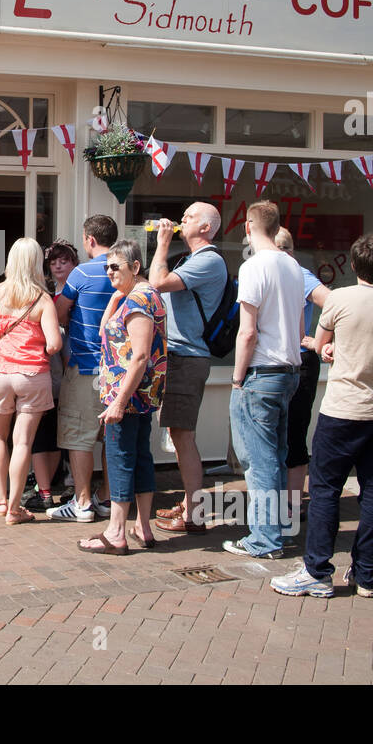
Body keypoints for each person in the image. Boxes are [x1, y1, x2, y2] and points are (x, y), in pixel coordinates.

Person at [271, 235, 373, 598]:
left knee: (325, 491)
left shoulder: (339, 299)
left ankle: (317, 570)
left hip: (344, 408)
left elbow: (319, 346)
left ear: (353, 265)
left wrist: (331, 347)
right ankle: (367, 574)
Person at [223, 200, 305, 560]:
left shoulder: (254, 266)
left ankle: (264, 540)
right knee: (277, 454)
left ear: (248, 227)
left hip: (260, 373)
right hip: (290, 371)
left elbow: (248, 332)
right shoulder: (293, 266)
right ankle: (277, 531)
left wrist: (237, 379)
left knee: (259, 461)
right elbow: (301, 328)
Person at [78, 240, 168, 555]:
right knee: (140, 456)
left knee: (120, 458)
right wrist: (116, 297)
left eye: (116, 266)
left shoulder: (139, 300)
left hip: (128, 396)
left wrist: (118, 402)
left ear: (136, 267)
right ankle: (143, 526)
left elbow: (141, 355)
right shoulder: (133, 297)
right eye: (107, 267)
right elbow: (105, 330)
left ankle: (116, 531)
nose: (110, 272)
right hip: (137, 395)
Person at [147, 202, 228, 536]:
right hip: (176, 356)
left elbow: (158, 282)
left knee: (183, 434)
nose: (181, 220)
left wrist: (162, 243)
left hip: (186, 357)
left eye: (189, 217)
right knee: (179, 435)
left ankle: (195, 513)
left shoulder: (208, 260)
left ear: (206, 227)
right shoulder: (193, 259)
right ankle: (189, 500)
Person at [0, 238, 62, 524]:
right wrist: (39, 349)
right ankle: (15, 508)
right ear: (37, 264)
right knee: (23, 443)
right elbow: (55, 344)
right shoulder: (42, 299)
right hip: (32, 375)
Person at [50, 215, 118, 522]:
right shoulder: (127, 270)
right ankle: (106, 497)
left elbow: (60, 312)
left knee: (79, 437)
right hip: (118, 371)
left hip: (85, 365)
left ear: (89, 240)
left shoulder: (82, 273)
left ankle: (83, 502)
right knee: (111, 437)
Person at [274, 227, 332, 529]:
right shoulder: (266, 271)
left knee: (294, 431)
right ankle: (278, 501)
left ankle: (293, 504)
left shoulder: (299, 274)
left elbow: (332, 303)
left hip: (300, 360)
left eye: (285, 247)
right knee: (273, 434)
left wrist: (317, 340)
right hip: (272, 361)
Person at [25, 239, 79, 511]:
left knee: (69, 431)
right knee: (48, 429)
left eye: (64, 261)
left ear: (74, 263)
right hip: (49, 369)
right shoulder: (45, 293)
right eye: (53, 261)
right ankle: (46, 486)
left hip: (71, 368)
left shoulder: (78, 291)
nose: (58, 265)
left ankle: (71, 485)